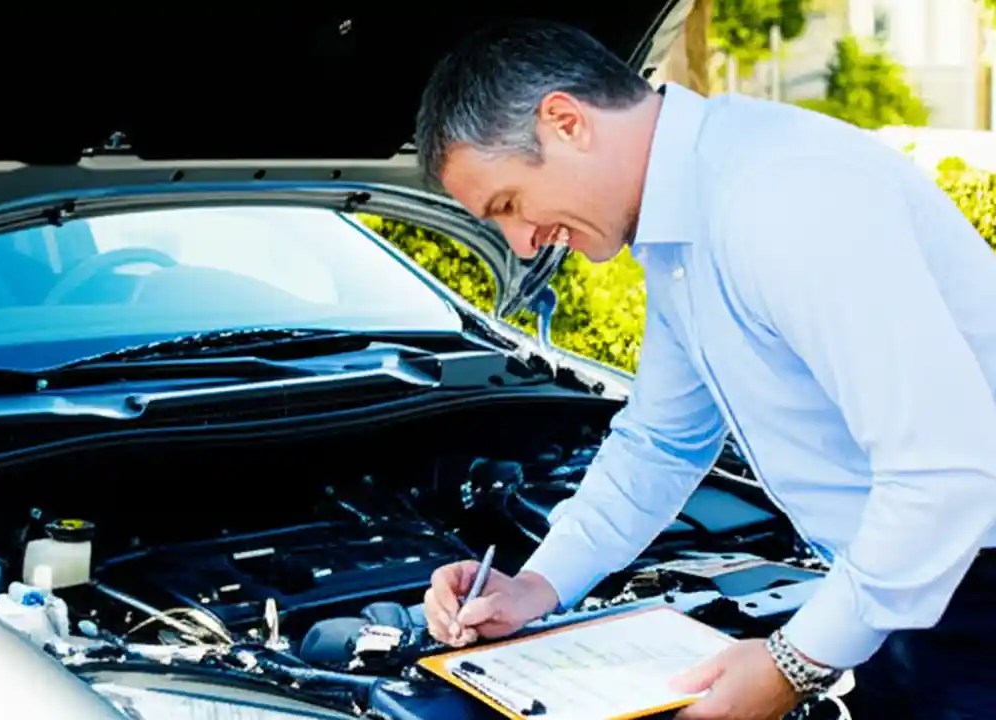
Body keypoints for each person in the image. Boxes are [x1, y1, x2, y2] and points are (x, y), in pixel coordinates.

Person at [414, 19, 996, 720]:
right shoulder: (684, 221)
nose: (522, 240)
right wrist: (535, 585)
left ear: (566, 122)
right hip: (912, 593)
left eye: (508, 204)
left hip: (971, 591)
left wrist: (792, 664)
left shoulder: (778, 197)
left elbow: (945, 467)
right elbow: (660, 442)